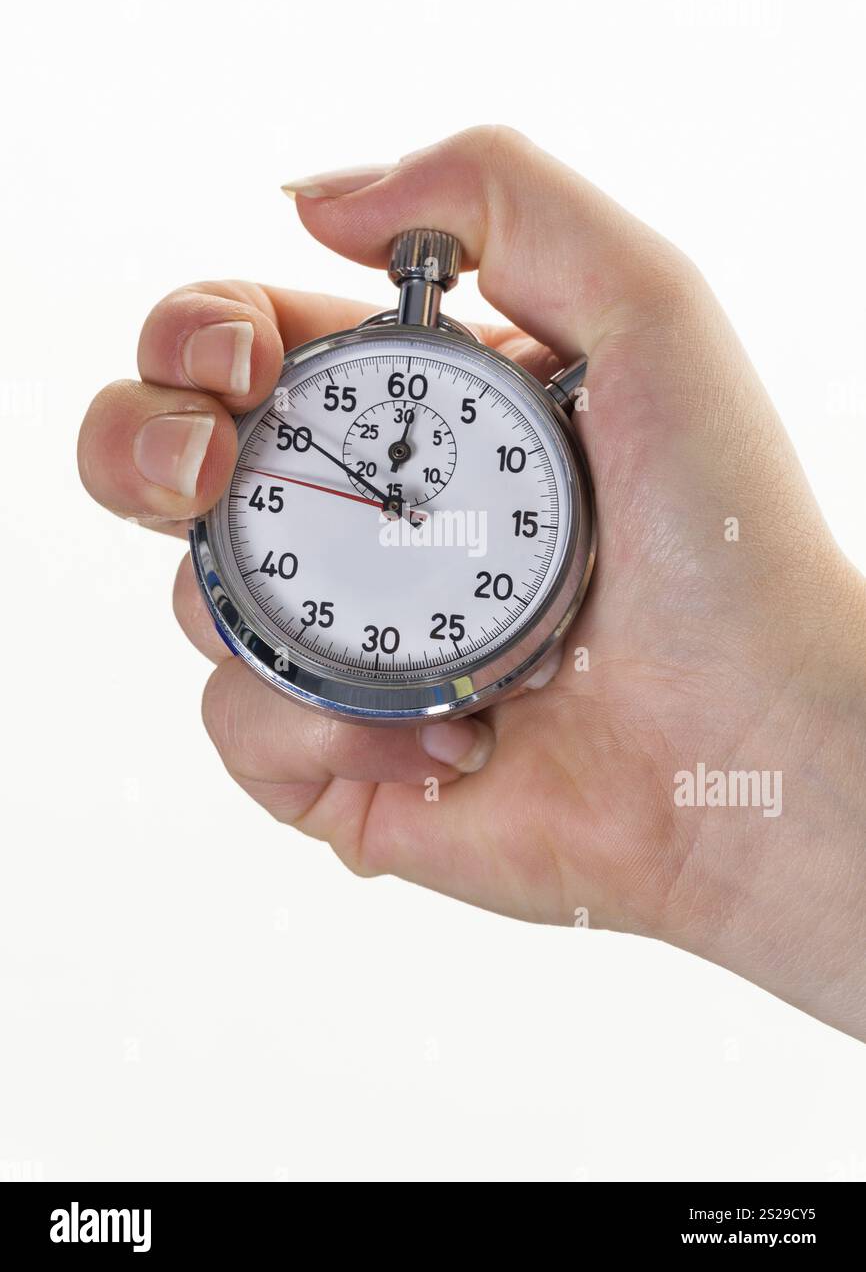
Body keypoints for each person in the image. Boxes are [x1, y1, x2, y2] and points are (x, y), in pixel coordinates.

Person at [77, 127, 866, 1041]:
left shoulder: (551, 426)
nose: (398, 501)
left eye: (405, 490)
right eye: (382, 485)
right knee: (204, 479)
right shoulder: (300, 416)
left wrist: (770, 748)